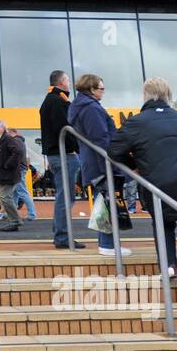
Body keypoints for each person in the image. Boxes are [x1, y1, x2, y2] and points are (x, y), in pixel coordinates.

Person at [107, 77, 177, 308]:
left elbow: (114, 151)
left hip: (158, 182)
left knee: (162, 222)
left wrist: (135, 164)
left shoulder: (137, 122)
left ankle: (169, 265)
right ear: (168, 96)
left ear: (145, 96)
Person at [67, 73, 129, 256]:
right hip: (100, 162)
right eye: (101, 88)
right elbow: (100, 138)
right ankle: (108, 245)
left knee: (104, 203)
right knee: (106, 202)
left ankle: (108, 244)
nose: (103, 92)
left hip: (94, 161)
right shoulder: (91, 109)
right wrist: (109, 166)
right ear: (91, 89)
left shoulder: (83, 106)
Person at [40, 70, 85, 249]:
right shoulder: (57, 101)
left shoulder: (51, 100)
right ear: (61, 82)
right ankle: (62, 236)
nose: (69, 82)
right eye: (67, 79)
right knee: (65, 197)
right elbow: (64, 128)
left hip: (58, 154)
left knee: (63, 196)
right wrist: (79, 146)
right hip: (63, 154)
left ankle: (60, 231)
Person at [0, 121, 25, 233]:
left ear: (3, 128)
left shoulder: (8, 139)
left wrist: (7, 165)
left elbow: (17, 152)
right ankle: (15, 220)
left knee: (4, 196)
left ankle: (15, 221)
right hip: (3, 176)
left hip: (9, 175)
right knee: (2, 197)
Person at [7, 127, 38, 220]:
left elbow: (17, 155)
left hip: (18, 170)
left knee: (22, 192)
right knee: (15, 192)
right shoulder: (20, 141)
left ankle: (32, 214)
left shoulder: (16, 141)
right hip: (20, 169)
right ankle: (13, 214)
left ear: (10, 133)